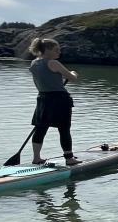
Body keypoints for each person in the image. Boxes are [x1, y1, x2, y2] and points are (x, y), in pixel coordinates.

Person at [27, 37, 80, 166]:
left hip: (43, 99)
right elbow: (72, 78)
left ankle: (36, 158)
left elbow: (36, 83)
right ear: (47, 50)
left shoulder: (34, 63)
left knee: (40, 129)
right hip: (60, 100)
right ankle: (69, 158)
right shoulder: (53, 63)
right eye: (56, 50)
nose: (59, 52)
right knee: (64, 129)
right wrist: (74, 73)